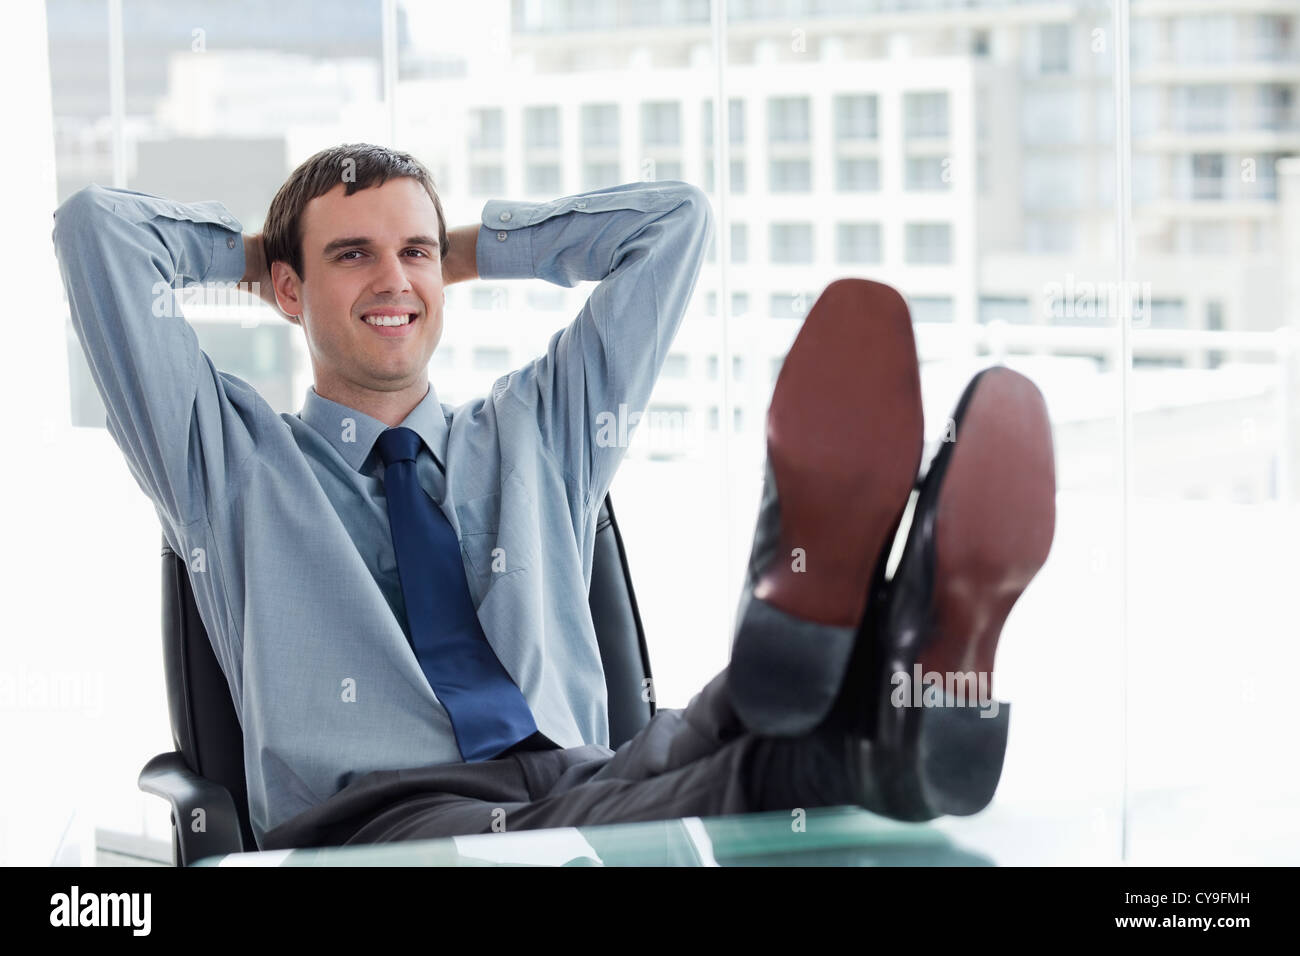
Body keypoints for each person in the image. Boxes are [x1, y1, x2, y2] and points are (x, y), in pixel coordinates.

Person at [50, 143, 1056, 853]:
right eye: (350, 254)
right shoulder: (223, 461)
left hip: (587, 773)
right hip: (385, 825)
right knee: (694, 793)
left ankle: (866, 656)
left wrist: (470, 246)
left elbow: (673, 226)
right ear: (285, 290)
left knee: (734, 732)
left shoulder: (537, 427)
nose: (393, 277)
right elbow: (95, 231)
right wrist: (265, 249)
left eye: (415, 251)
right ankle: (857, 699)